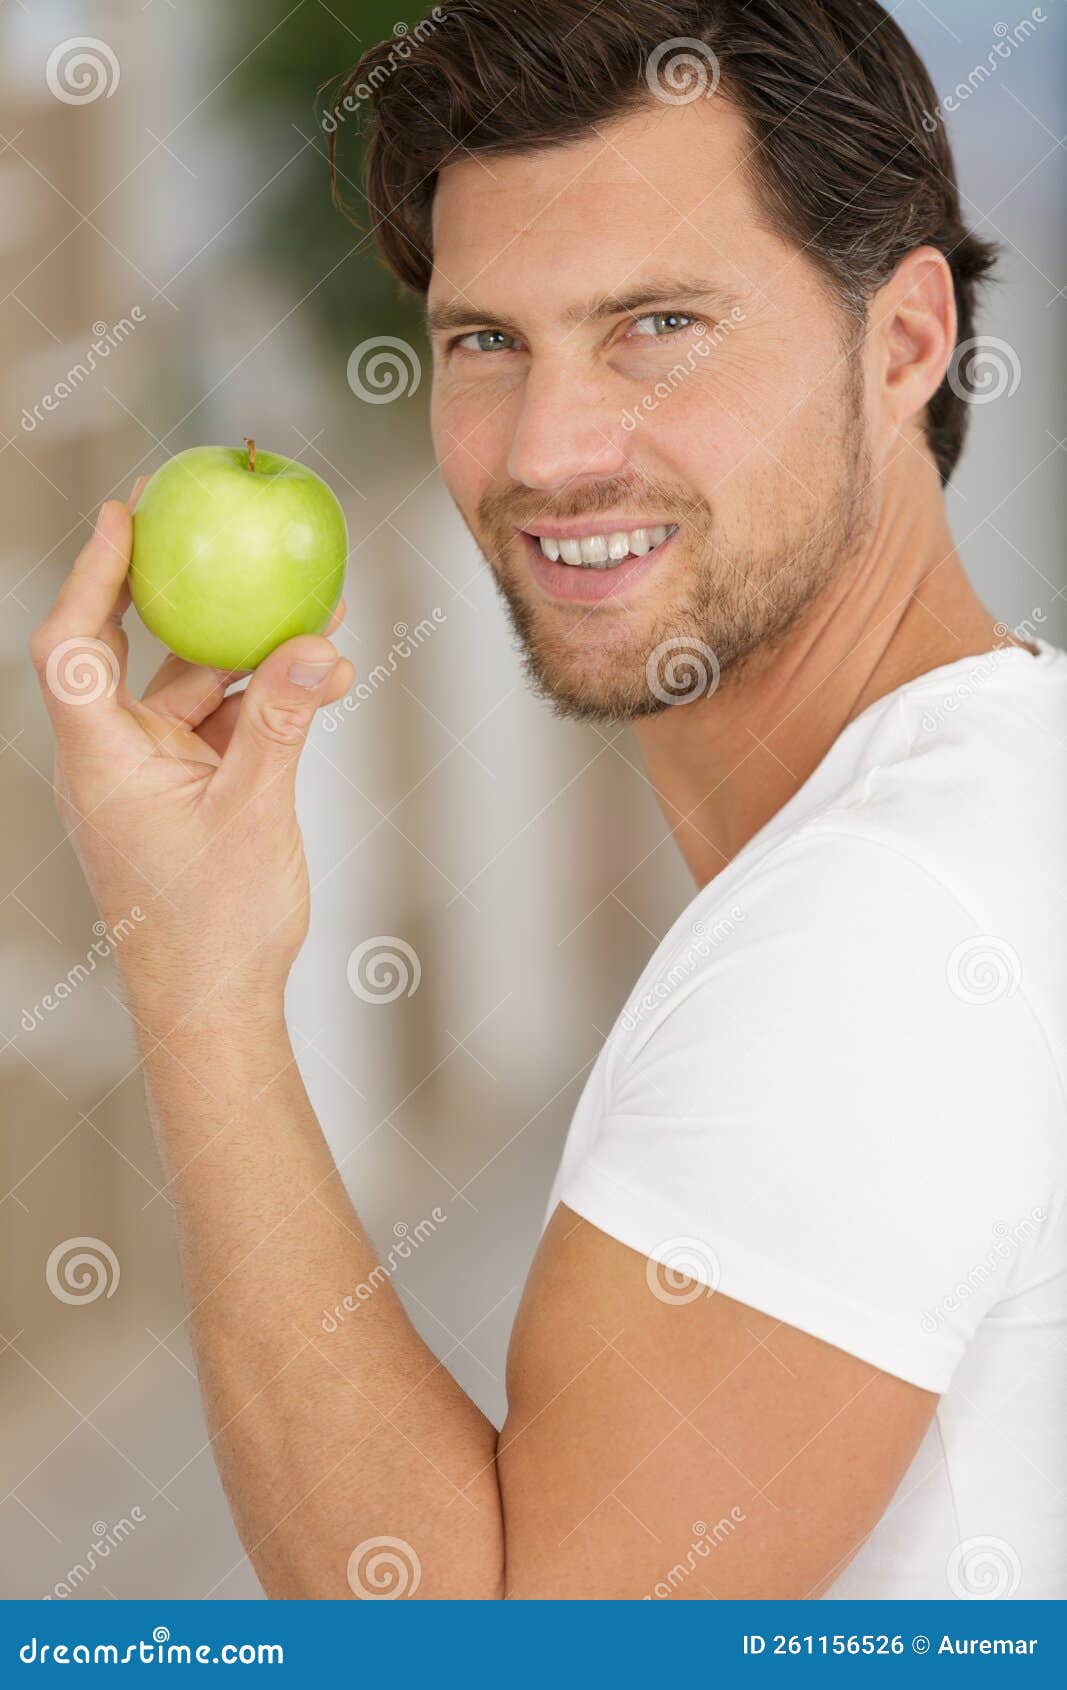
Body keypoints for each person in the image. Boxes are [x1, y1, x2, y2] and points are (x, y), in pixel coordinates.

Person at [31, 0, 1065, 1599]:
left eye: (660, 323)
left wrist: (194, 979)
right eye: (486, 341)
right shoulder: (1003, 790)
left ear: (905, 342)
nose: (551, 449)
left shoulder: (876, 928)